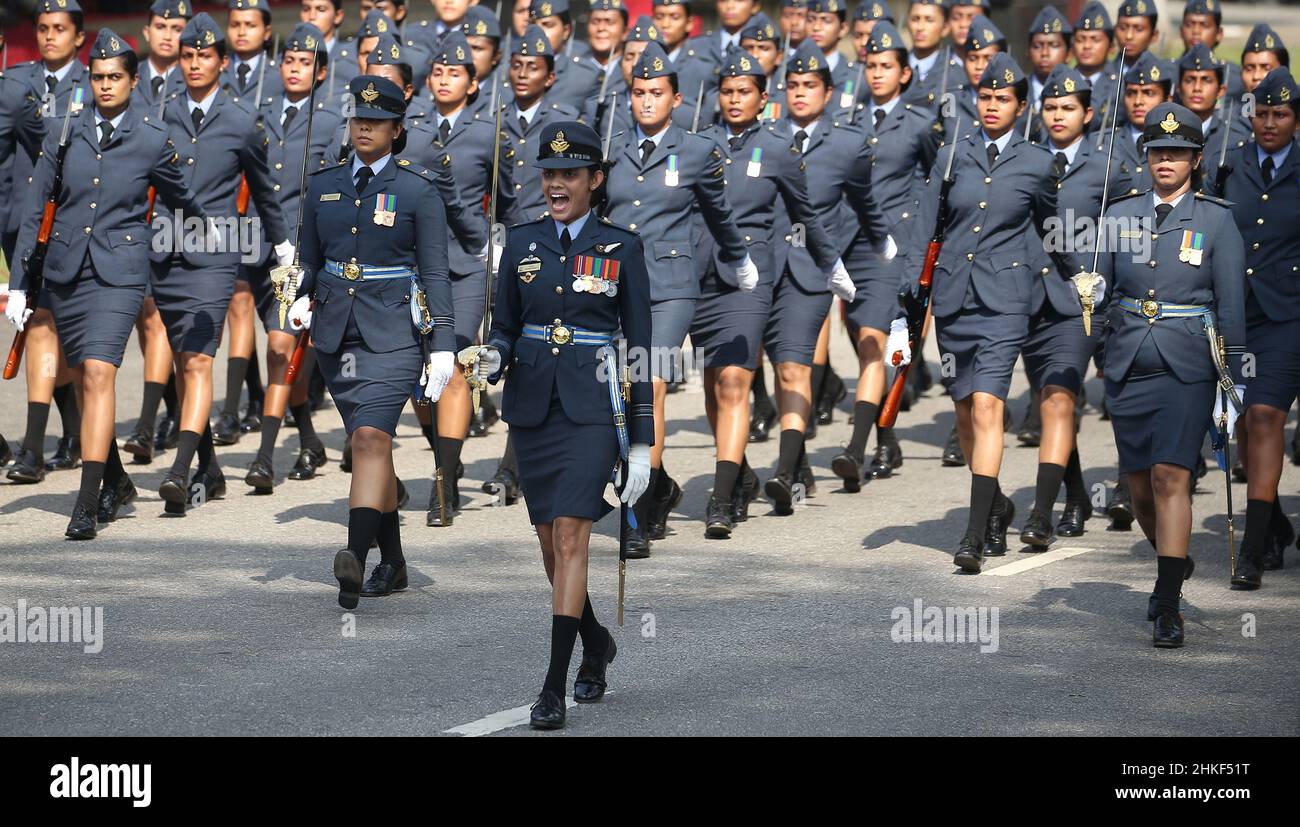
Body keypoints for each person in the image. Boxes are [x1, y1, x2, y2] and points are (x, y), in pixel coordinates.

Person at [467, 119, 651, 731]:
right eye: (549, 173)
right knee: (552, 552)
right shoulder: (519, 243)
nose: (556, 183)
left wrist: (644, 444)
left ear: (595, 180)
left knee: (573, 536)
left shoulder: (622, 247)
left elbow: (642, 350)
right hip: (533, 409)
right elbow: (508, 326)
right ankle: (594, 642)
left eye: (569, 174)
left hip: (594, 407)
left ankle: (550, 687)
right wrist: (493, 355)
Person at [5, 29, 206, 539]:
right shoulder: (62, 131)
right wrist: (21, 282)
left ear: (134, 81)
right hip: (67, 273)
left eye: (115, 77)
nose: (105, 85)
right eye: (97, 77)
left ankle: (86, 503)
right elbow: (36, 209)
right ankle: (115, 481)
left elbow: (188, 204)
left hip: (121, 273)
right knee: (84, 378)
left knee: (98, 372)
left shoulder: (153, 136)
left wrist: (200, 254)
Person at [893, 52, 1077, 573]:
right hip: (954, 300)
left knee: (987, 405)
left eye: (1003, 99)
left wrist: (1080, 275)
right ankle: (995, 504)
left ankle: (974, 534)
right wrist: (904, 301)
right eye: (986, 97)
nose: (992, 105)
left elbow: (1054, 228)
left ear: (1022, 107)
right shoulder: (953, 155)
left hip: (1005, 301)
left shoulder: (1039, 163)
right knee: (963, 410)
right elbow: (924, 227)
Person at [287, 74, 457, 608]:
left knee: (369, 440)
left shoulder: (418, 190)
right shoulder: (323, 184)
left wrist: (444, 345)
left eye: (376, 121)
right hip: (337, 334)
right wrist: (297, 292)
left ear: (396, 129)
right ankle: (397, 563)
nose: (364, 127)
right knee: (370, 446)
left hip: (395, 335)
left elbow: (435, 272)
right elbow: (311, 257)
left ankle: (354, 557)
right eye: (358, 119)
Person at [1092, 101, 1245, 647]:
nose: (1166, 161)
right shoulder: (1119, 216)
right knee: (1138, 491)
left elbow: (1231, 304)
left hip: (1188, 362)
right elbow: (1102, 293)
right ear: (1146, 156)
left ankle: (1166, 602)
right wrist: (1089, 304)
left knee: (1169, 478)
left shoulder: (1216, 218)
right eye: (1158, 152)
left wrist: (1235, 377)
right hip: (1130, 361)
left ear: (1196, 160)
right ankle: (1173, 565)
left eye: (1178, 153)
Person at [603, 41, 754, 553]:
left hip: (669, 289)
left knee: (649, 385)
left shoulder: (695, 151)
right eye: (639, 93)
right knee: (619, 393)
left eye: (656, 93)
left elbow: (719, 213)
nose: (647, 101)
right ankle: (660, 483)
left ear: (676, 98)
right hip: (617, 286)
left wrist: (738, 257)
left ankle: (637, 515)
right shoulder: (614, 147)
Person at [691, 47, 843, 536]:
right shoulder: (699, 143)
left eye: (744, 93)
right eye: (728, 92)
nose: (735, 100)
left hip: (751, 276)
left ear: (762, 98)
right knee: (716, 384)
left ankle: (719, 499)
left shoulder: (778, 148)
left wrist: (831, 263)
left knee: (736, 381)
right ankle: (736, 476)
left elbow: (805, 213)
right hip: (704, 276)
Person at [149, 12, 293, 515]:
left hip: (215, 253)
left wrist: (284, 248)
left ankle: (180, 470)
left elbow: (267, 196)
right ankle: (210, 470)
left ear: (222, 61)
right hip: (165, 254)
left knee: (197, 359)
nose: (193, 64)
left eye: (203, 56)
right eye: (186, 55)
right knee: (183, 360)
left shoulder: (239, 122)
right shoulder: (159, 113)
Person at [765, 40, 887, 511]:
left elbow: (864, 204)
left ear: (828, 91)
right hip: (768, 265)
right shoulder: (767, 136)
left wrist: (858, 252)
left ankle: (784, 468)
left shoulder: (848, 143)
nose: (800, 94)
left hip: (815, 266)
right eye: (793, 85)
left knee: (796, 363)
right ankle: (797, 467)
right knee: (780, 365)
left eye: (809, 86)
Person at [403, 30, 516, 525]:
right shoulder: (411, 127)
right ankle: (444, 454)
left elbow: (509, 200)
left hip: (466, 265)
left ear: (473, 83)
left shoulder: (489, 130)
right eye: (438, 72)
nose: (445, 79)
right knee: (415, 378)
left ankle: (444, 484)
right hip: (413, 264)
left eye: (455, 73)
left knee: (452, 370)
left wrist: (499, 247)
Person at [1018, 65, 1130, 548]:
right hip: (1028, 298)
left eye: (1068, 108)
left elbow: (1129, 228)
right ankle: (1079, 495)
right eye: (1050, 107)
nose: (1058, 115)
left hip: (1082, 301)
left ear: (1088, 113)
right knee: (1050, 401)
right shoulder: (1025, 159)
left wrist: (1107, 278)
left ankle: (1041, 514)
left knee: (1061, 396)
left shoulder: (1107, 164)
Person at [833, 20, 938, 487]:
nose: (876, 74)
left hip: (893, 247)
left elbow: (937, 183)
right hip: (850, 245)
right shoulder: (848, 122)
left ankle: (854, 449)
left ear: (904, 74)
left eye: (886, 66)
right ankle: (886, 439)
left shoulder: (919, 124)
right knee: (859, 337)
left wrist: (926, 237)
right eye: (871, 65)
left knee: (875, 341)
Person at [239, 23, 342, 495]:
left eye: (305, 62)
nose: (295, 69)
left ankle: (263, 456)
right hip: (258, 246)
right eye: (289, 61)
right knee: (285, 353)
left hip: (300, 251)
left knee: (281, 348)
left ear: (320, 72)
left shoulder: (330, 122)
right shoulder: (259, 115)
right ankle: (307, 437)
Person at [1208, 68, 1300, 585]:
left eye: (1280, 115)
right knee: (1240, 423)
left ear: (1296, 121)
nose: (1269, 123)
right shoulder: (1229, 166)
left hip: (1289, 314)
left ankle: (1252, 548)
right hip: (1237, 313)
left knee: (1265, 417)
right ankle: (1276, 525)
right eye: (1262, 113)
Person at [4, 0, 91, 485]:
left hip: (73, 224)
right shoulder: (18, 83)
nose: (49, 36)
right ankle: (40, 445)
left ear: (79, 37)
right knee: (40, 324)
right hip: (25, 220)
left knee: (63, 331)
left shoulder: (96, 82)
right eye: (42, 28)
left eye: (60, 29)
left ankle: (65, 437)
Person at [502, 24, 581, 226]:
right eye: (517, 65)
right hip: (499, 228)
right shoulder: (494, 119)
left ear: (550, 78)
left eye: (533, 67)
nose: (522, 74)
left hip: (546, 225)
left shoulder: (565, 122)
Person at [901, 0, 962, 108]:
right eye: (915, 19)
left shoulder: (956, 75)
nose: (920, 27)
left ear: (945, 28)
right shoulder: (894, 68)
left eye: (929, 20)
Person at [1072, 2, 1120, 134]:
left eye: (1095, 39)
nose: (1087, 46)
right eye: (1081, 39)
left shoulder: (1121, 84)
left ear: (1111, 47)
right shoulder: (1064, 81)